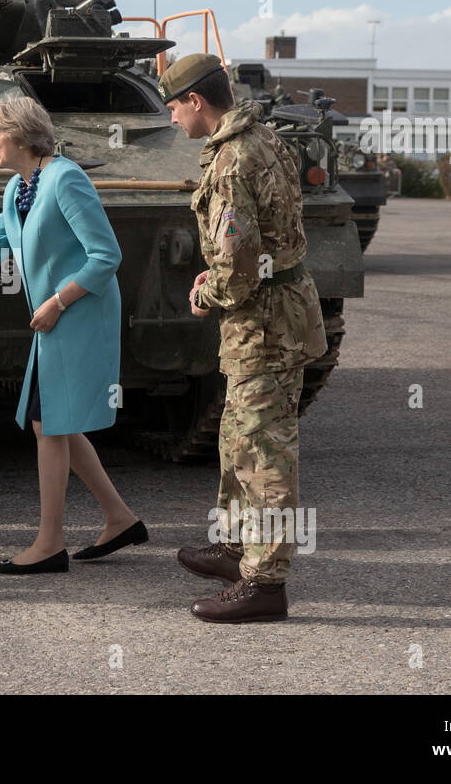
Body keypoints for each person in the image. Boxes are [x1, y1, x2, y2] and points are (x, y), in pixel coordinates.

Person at [0, 97, 145, 574]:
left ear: (21, 134)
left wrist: (58, 301)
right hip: (54, 320)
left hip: (79, 316)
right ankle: (119, 518)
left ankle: (49, 544)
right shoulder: (18, 188)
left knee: (50, 425)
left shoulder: (66, 178)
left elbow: (106, 256)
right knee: (56, 422)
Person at [160, 53, 327, 623]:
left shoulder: (232, 161)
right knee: (238, 439)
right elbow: (273, 238)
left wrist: (207, 291)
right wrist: (231, 271)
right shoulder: (269, 139)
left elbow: (237, 266)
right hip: (270, 314)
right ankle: (237, 549)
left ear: (197, 102)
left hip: (264, 326)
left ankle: (266, 584)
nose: (172, 116)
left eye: (175, 105)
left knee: (266, 453)